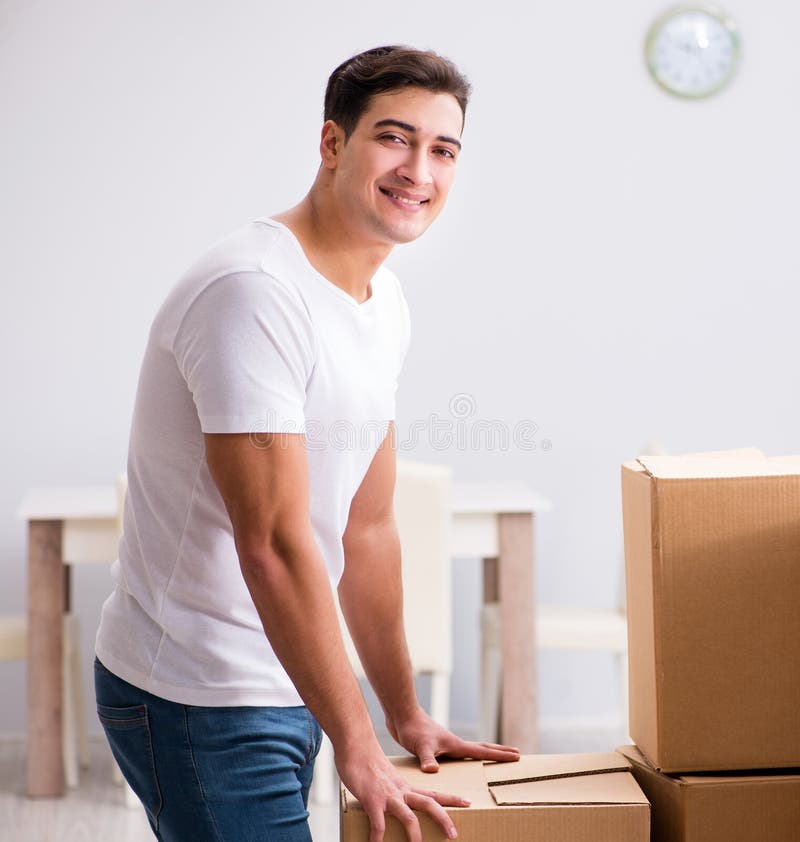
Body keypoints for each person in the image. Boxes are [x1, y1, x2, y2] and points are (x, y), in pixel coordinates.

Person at [94, 45, 519, 842]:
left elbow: (368, 527)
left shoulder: (379, 300)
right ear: (332, 145)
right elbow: (275, 544)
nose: (418, 170)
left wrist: (400, 714)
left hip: (287, 672)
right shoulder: (252, 293)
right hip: (199, 689)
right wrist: (359, 746)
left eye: (443, 149)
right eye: (394, 138)